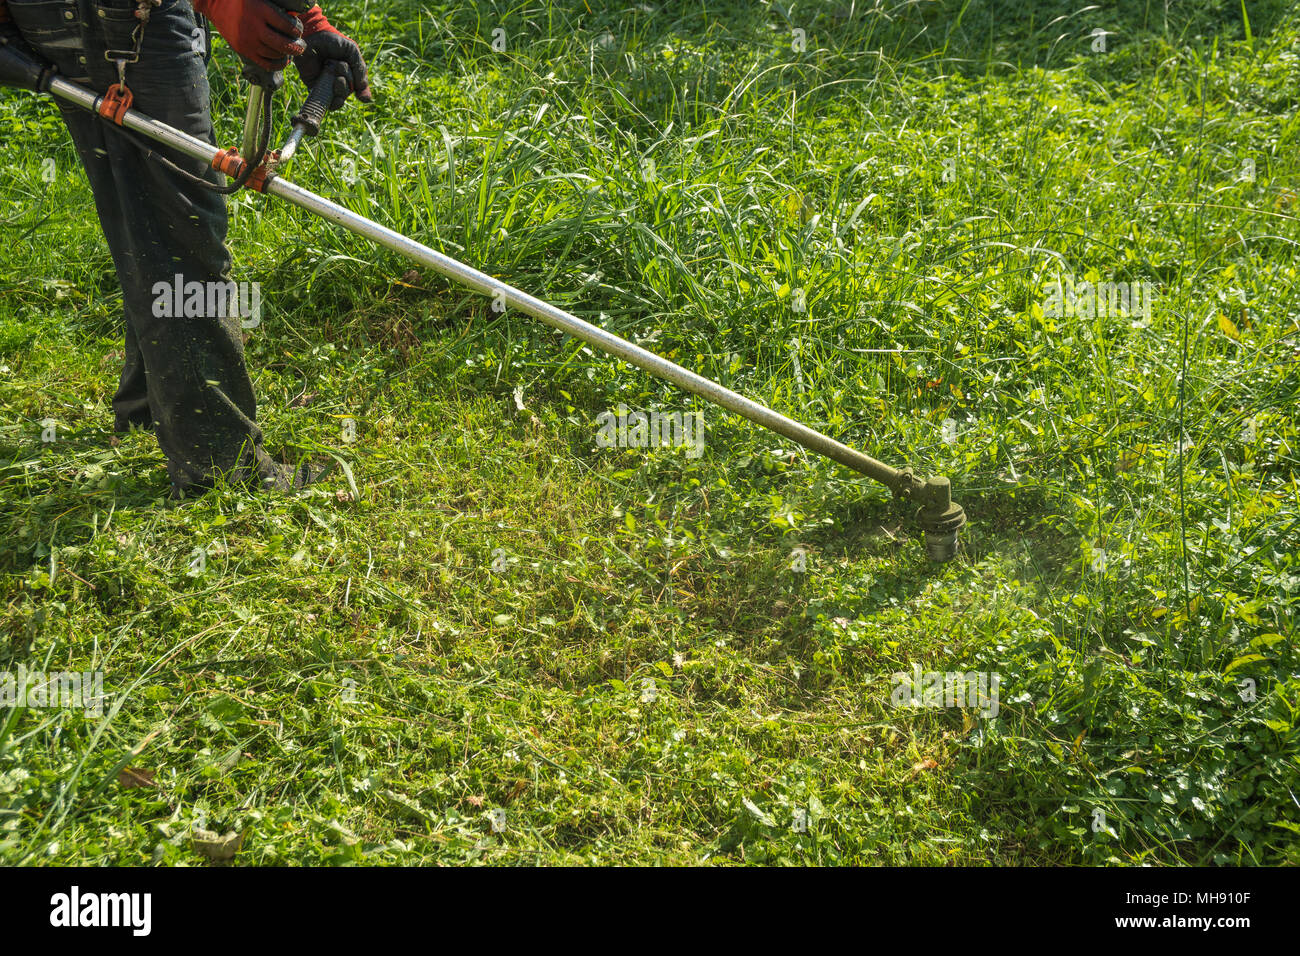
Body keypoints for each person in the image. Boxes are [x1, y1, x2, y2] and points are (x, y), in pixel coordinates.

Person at [0, 0, 371, 497]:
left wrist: (305, 22)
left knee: (137, 198)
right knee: (181, 230)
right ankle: (219, 466)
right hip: (125, 18)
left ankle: (148, 406)